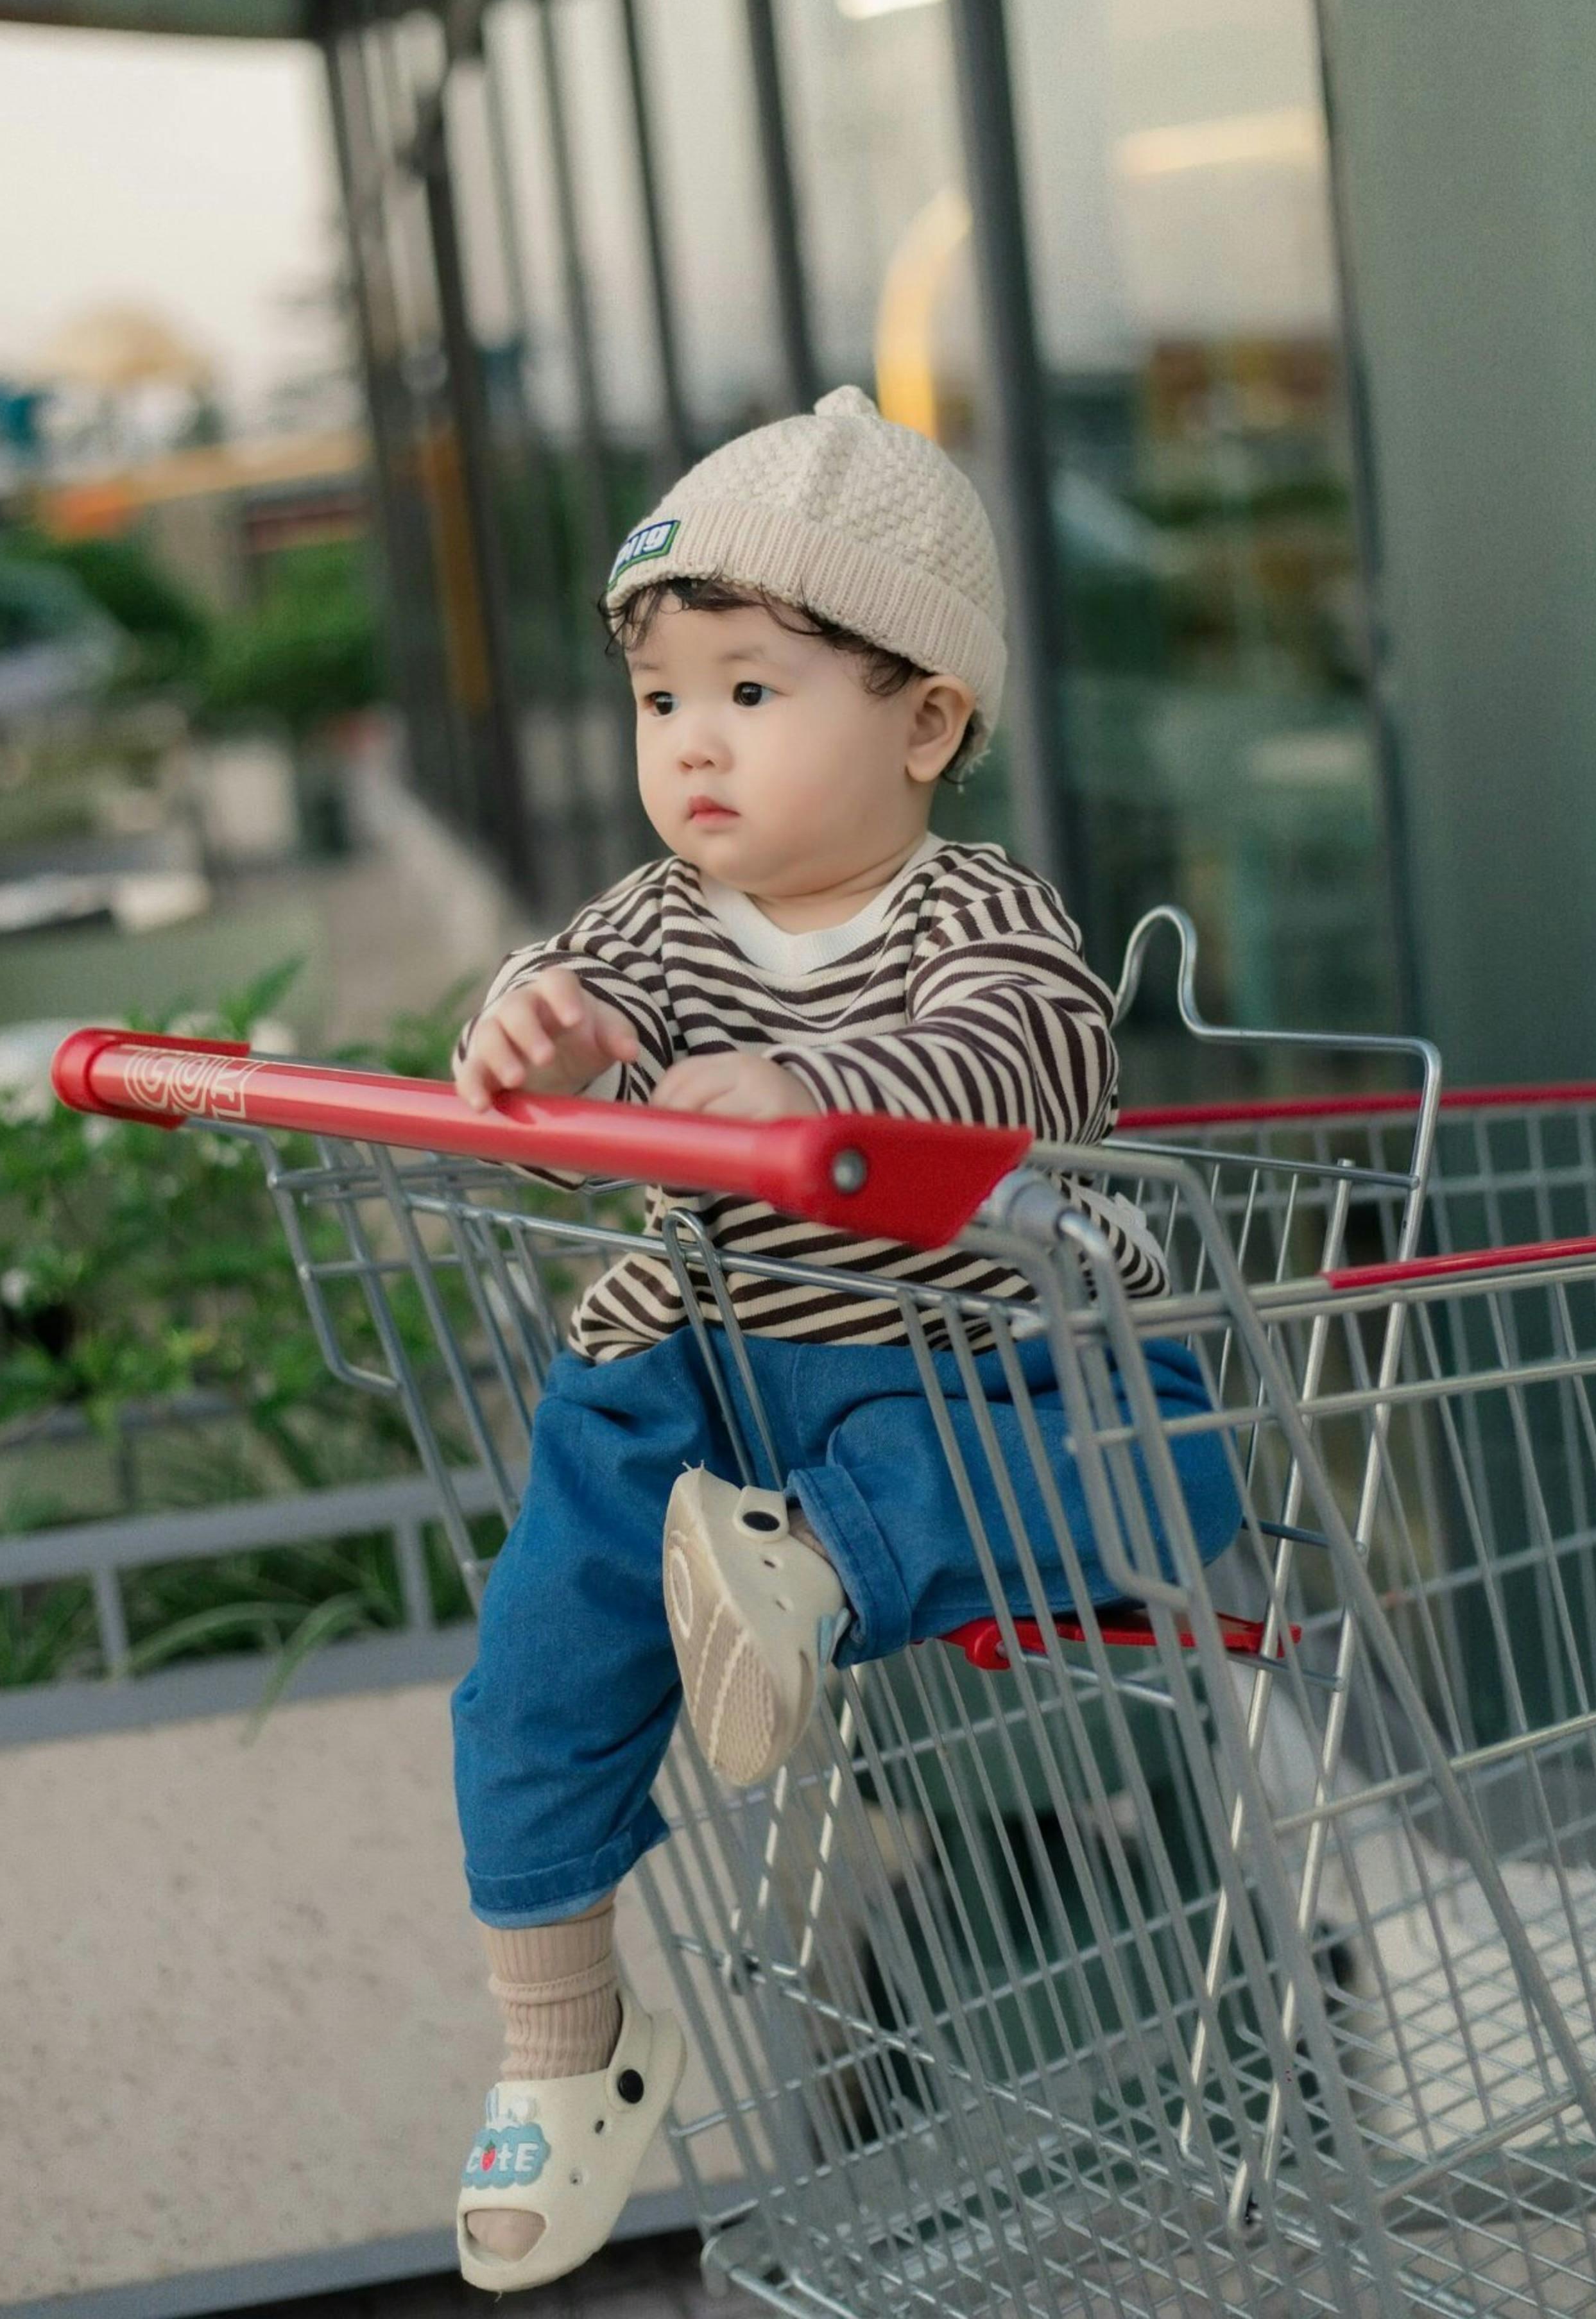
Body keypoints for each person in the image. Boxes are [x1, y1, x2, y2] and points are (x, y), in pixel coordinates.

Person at [448, 387, 1240, 2290]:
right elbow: (565, 1006)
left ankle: (811, 1566)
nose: (691, 745)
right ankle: (565, 2040)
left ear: (928, 719)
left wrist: (797, 1084)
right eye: (661, 701)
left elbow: (1016, 1058)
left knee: (1166, 1453)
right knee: (540, 1659)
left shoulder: (988, 920)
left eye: (749, 690)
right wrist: (532, 1031)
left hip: (954, 1355)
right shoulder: (657, 918)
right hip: (700, 1358)